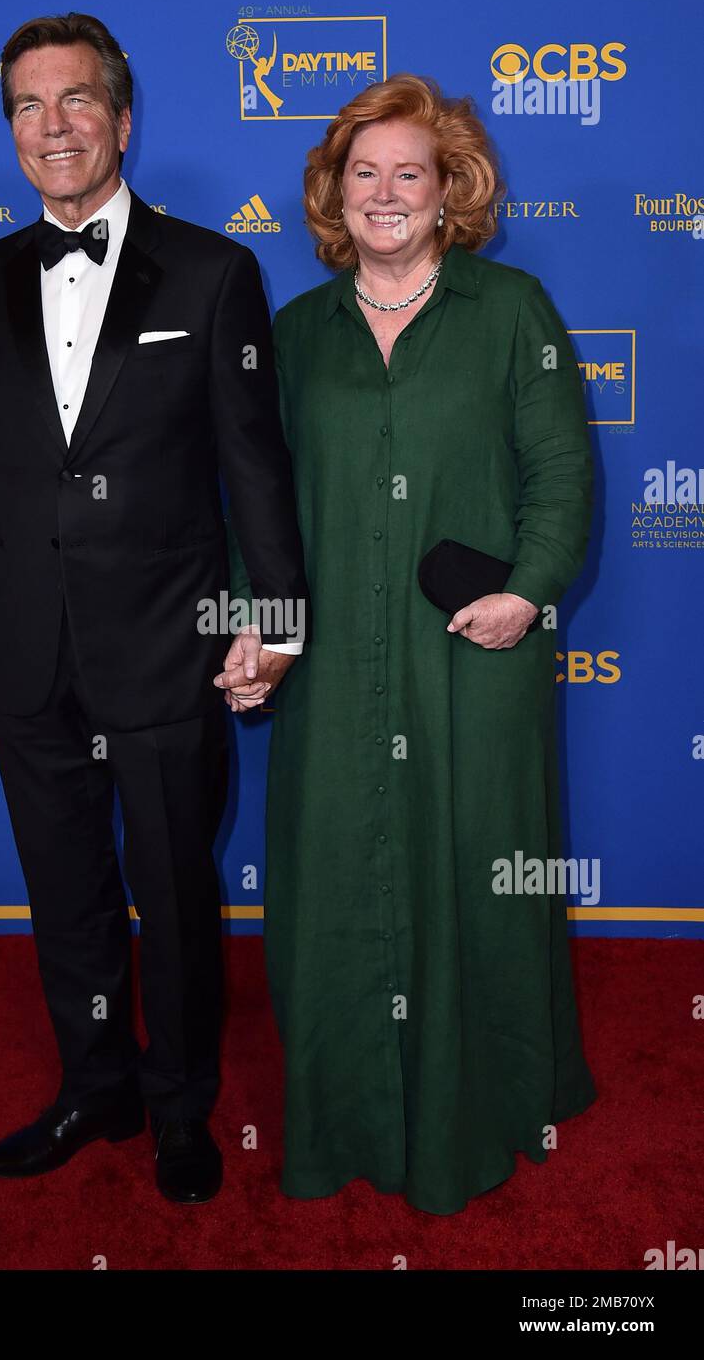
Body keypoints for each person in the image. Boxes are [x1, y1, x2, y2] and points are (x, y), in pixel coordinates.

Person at [0, 12, 308, 1204]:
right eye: (28, 107)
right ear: (10, 129)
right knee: (68, 895)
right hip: (29, 651)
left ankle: (180, 1109)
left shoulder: (212, 272)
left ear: (122, 117)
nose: (53, 127)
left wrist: (277, 615)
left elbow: (254, 464)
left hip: (166, 651)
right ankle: (93, 1086)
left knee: (178, 899)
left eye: (76, 101)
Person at [219, 74, 597, 1214]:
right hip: (331, 672)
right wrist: (260, 629)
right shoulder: (292, 334)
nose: (384, 193)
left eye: (410, 175)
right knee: (332, 883)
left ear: (449, 194)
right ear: (335, 192)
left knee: (476, 879)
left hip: (467, 659)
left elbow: (561, 471)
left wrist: (527, 594)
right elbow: (259, 507)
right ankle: (341, 1121)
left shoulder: (510, 309)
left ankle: (483, 1108)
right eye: (363, 172)